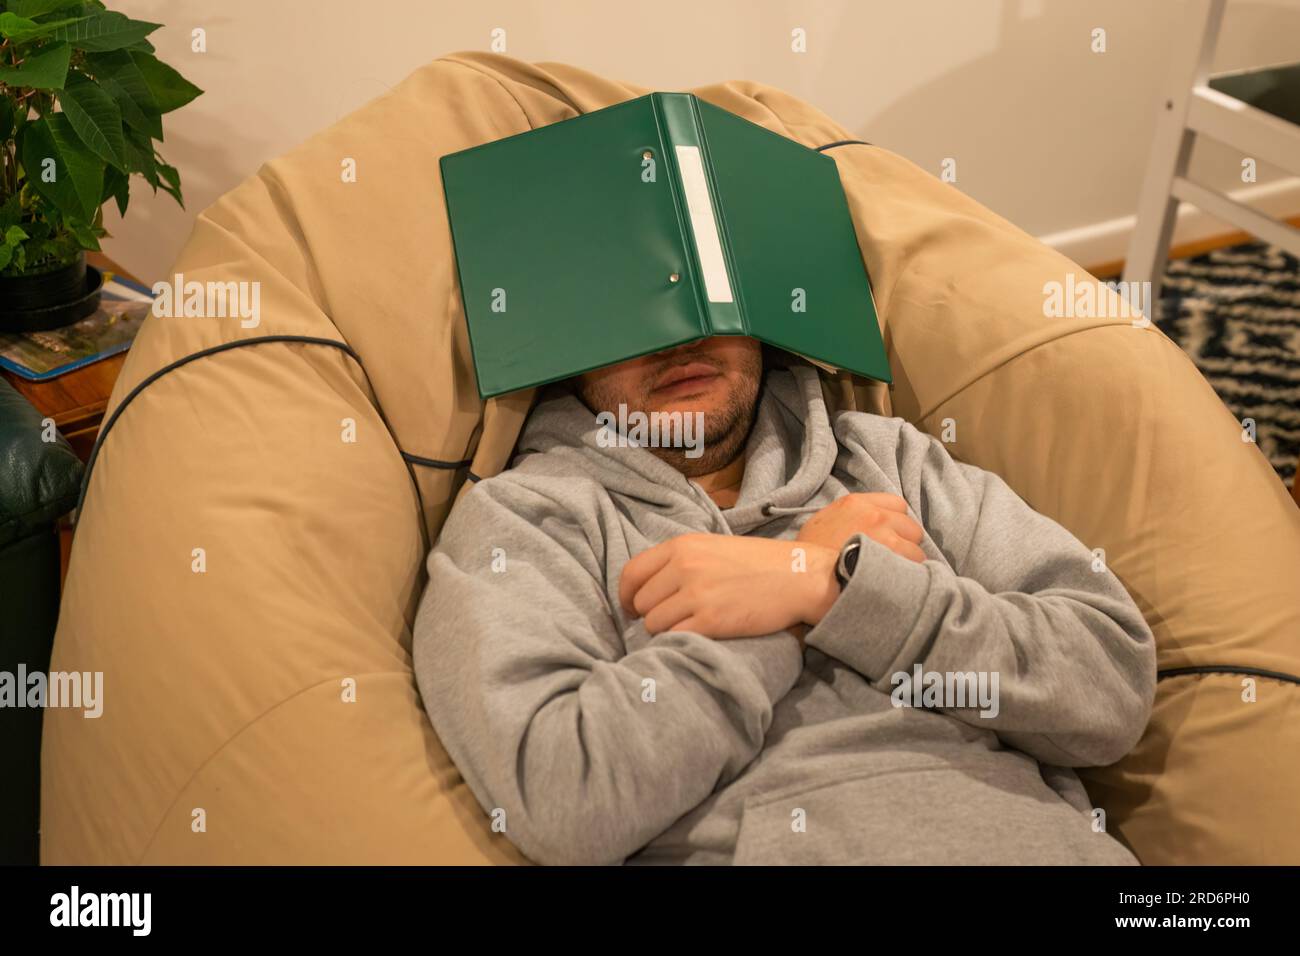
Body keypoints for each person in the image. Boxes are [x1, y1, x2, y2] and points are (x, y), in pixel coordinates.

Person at [412, 336, 1157, 865]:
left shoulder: (889, 458)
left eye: (707, 293)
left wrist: (836, 587)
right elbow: (565, 800)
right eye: (634, 312)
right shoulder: (524, 518)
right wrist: (782, 598)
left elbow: (1110, 685)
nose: (680, 336)